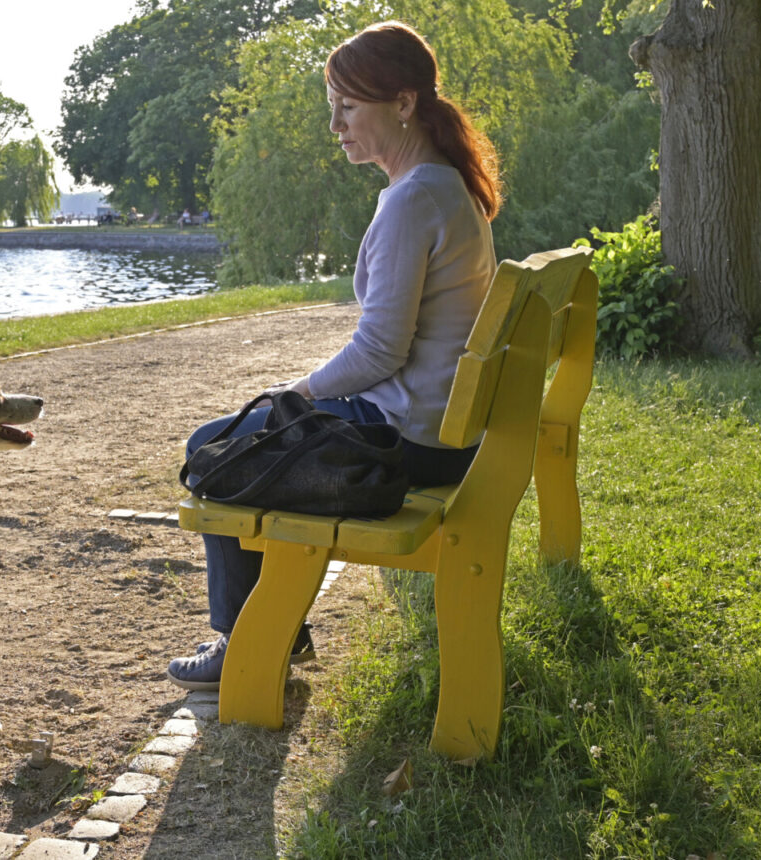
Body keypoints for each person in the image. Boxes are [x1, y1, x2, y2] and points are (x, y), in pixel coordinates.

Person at [165, 20, 502, 691]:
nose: (336, 125)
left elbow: (380, 350)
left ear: (403, 103)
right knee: (248, 432)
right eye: (333, 107)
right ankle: (271, 631)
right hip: (442, 431)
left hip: (405, 442)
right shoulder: (442, 187)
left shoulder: (414, 200)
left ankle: (250, 640)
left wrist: (301, 392)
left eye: (348, 107)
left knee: (214, 449)